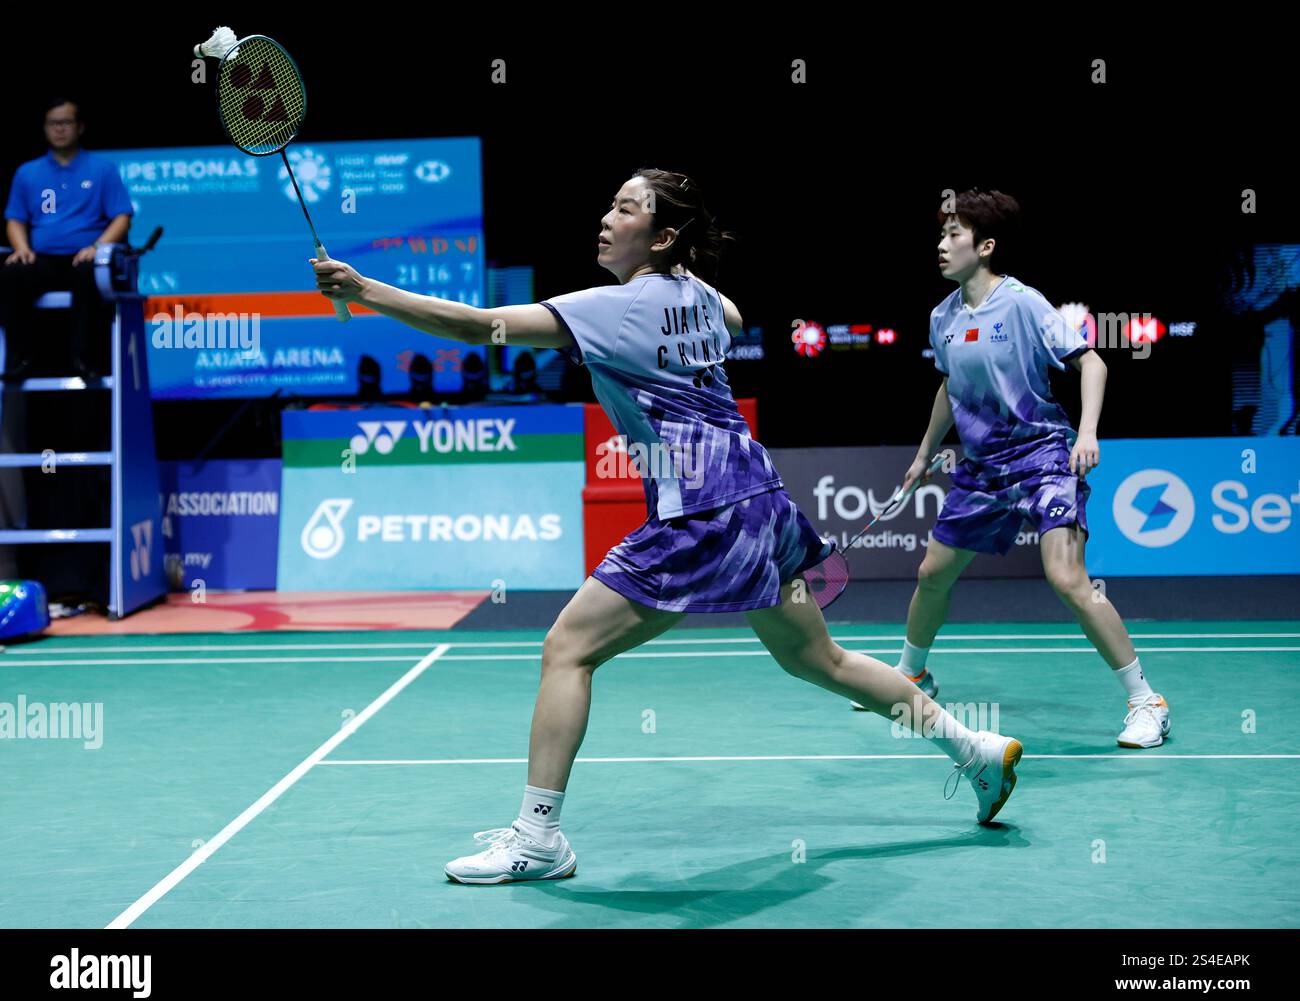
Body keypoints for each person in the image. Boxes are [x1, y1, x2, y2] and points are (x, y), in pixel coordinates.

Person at [313, 169, 1024, 885]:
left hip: (704, 510)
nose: (605, 218)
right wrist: (682, 277)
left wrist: (363, 290)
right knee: (820, 661)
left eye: (626, 209)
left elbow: (477, 327)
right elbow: (737, 316)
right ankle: (975, 751)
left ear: (659, 236)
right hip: (762, 504)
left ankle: (538, 839)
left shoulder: (614, 309)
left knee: (568, 649)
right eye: (609, 204)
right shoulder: (701, 299)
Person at [851, 189, 1169, 750]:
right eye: (942, 233)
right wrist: (925, 454)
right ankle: (913, 674)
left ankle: (1148, 701)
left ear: (986, 246)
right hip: (982, 468)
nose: (942, 244)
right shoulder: (941, 317)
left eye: (954, 235)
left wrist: (1088, 433)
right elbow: (950, 386)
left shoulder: (1022, 302)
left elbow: (1091, 361)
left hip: (1043, 455)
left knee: (1067, 578)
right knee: (932, 574)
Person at [1, 98, 133, 379]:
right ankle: (18, 361)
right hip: (43, 259)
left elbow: (122, 216)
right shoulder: (27, 172)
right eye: (53, 123)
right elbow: (15, 218)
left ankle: (85, 361)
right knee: (13, 273)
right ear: (45, 128)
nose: (59, 129)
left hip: (84, 258)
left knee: (91, 274)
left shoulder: (102, 170)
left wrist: (98, 247)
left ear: (80, 127)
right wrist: (22, 248)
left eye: (66, 122)